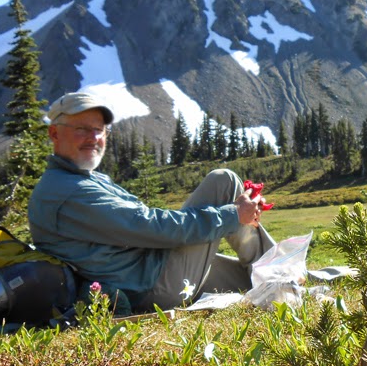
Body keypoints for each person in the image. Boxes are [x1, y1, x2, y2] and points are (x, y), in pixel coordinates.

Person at [27, 91, 275, 315]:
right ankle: (278, 271)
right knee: (224, 181)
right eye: (82, 128)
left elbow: (144, 225)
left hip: (151, 273)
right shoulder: (68, 191)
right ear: (54, 133)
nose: (94, 137)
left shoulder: (79, 180)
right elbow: (151, 226)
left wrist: (235, 214)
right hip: (153, 288)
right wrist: (234, 215)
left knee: (248, 278)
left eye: (100, 129)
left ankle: (279, 273)